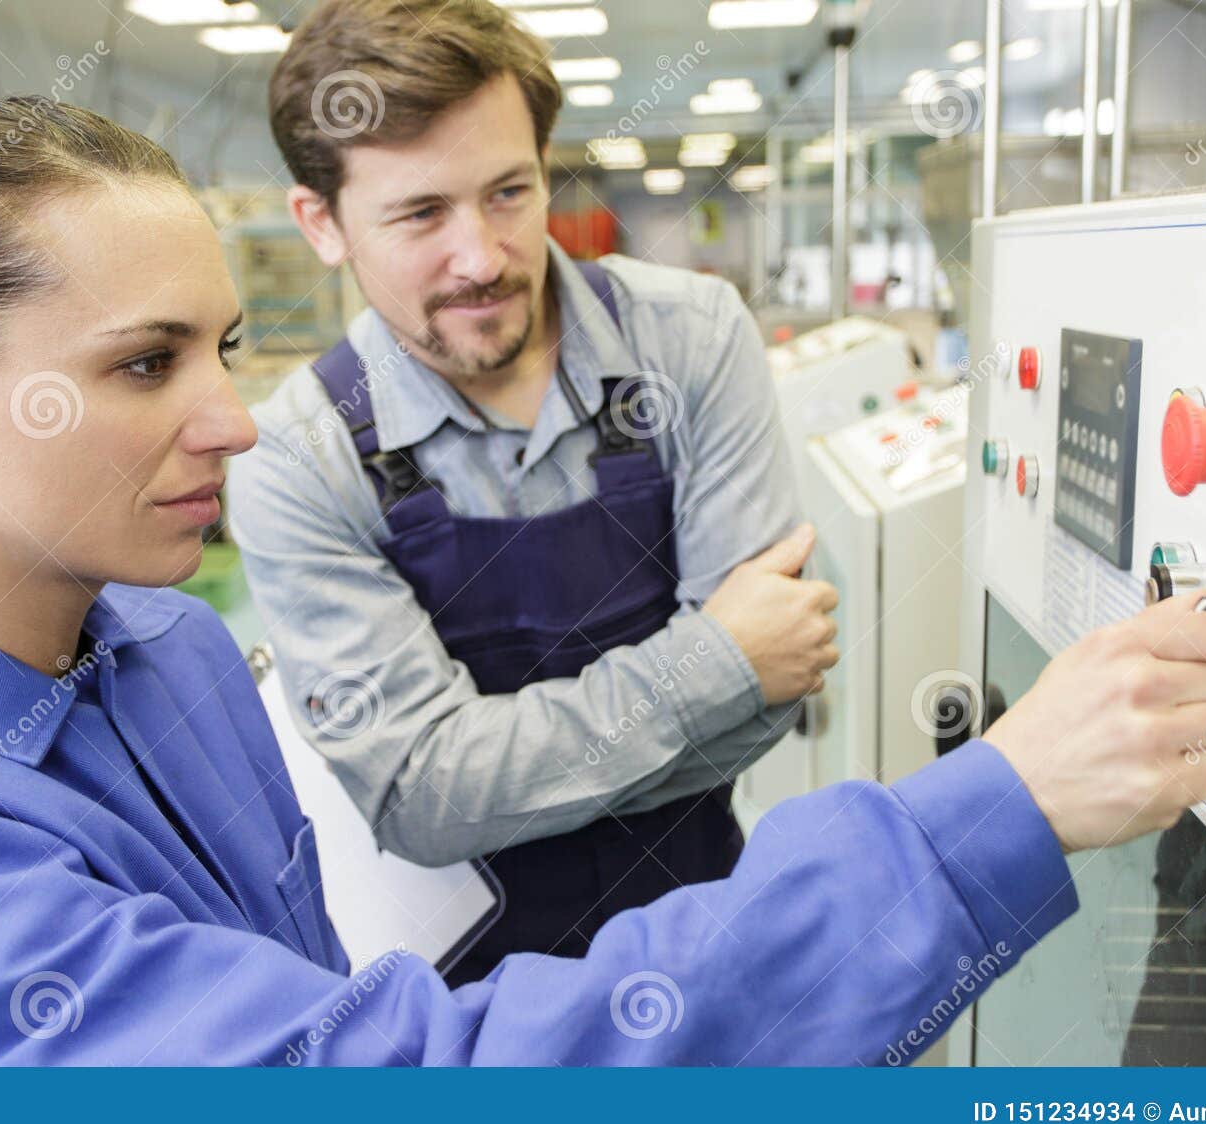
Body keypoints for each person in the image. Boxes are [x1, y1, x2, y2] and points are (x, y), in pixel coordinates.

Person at [0, 95, 1206, 1068]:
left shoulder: (166, 647)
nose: (237, 418)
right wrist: (990, 805)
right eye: (144, 364)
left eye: (225, 347)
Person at [229, 0, 839, 982]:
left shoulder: (690, 339)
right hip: (468, 1010)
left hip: (707, 944)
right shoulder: (294, 457)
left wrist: (494, 769)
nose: (481, 256)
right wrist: (718, 659)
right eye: (421, 213)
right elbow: (419, 801)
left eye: (509, 191)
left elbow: (764, 713)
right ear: (322, 223)